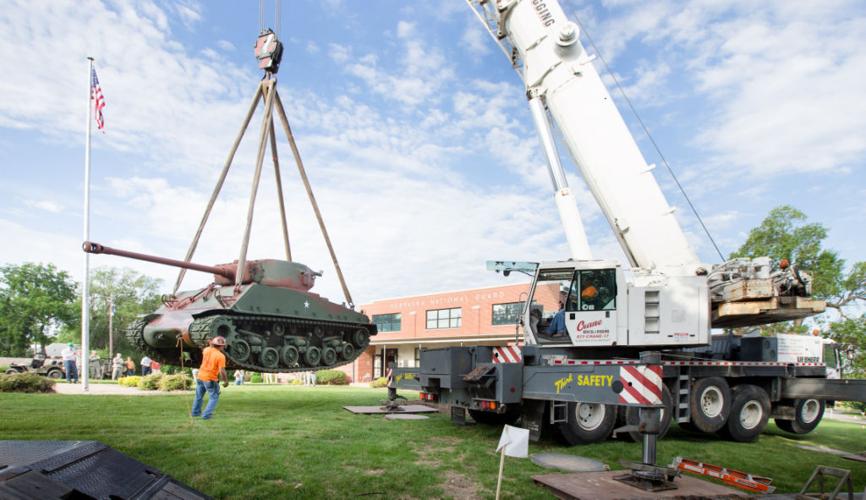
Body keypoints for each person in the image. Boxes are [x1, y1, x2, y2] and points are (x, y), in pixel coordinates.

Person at [191, 336, 229, 420]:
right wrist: (226, 381)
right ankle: (206, 415)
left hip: (200, 376)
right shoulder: (220, 356)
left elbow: (207, 347)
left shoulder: (206, 350)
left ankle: (195, 413)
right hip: (210, 378)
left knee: (199, 396)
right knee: (214, 397)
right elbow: (222, 371)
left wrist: (210, 342)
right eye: (224, 345)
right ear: (222, 346)